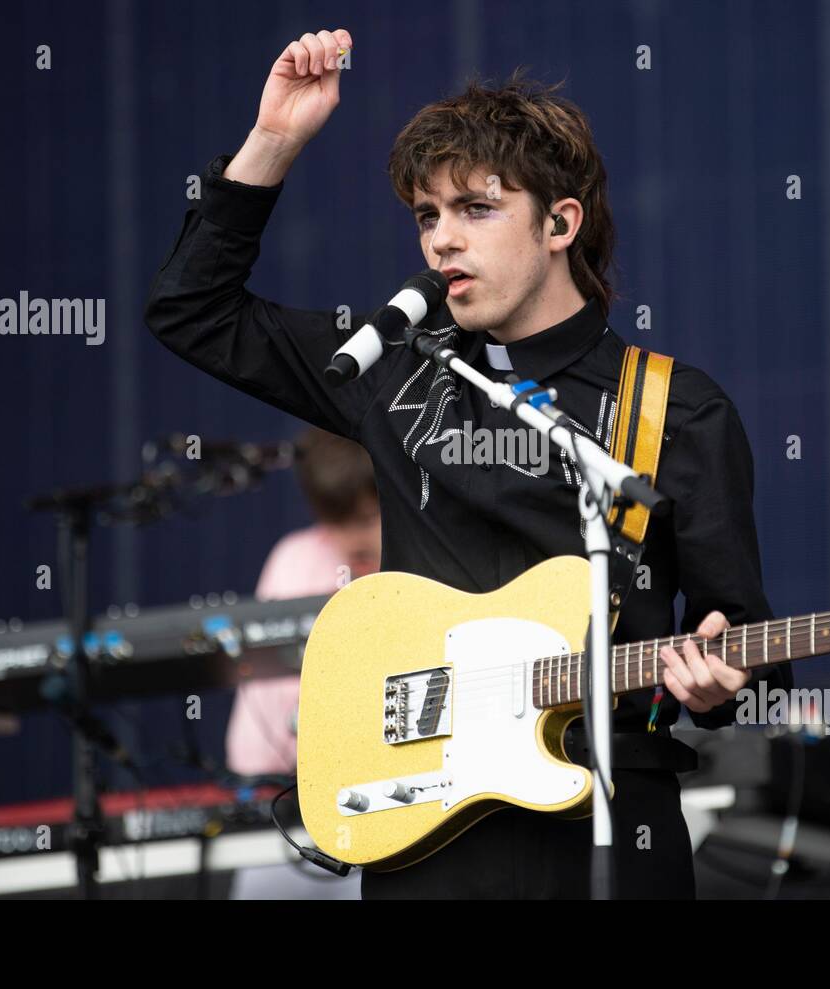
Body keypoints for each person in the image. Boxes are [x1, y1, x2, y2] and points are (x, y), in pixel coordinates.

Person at [145, 26, 793, 898]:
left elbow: (750, 657)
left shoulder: (677, 408)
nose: (441, 240)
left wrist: (726, 682)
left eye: (475, 208)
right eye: (426, 214)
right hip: (427, 834)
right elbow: (191, 311)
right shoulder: (394, 367)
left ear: (561, 222)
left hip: (604, 823)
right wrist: (275, 140)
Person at [226, 426, 379, 899]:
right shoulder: (294, 560)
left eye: (370, 516)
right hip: (290, 807)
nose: (354, 537)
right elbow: (256, 738)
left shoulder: (421, 560)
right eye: (337, 520)